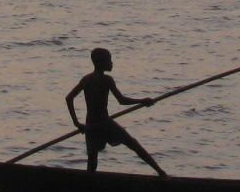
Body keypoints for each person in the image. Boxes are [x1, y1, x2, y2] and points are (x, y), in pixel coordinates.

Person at [66, 48, 167, 176]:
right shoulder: (107, 79)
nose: (112, 63)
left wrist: (77, 123)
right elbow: (122, 100)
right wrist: (142, 101)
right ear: (102, 63)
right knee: (133, 144)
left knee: (92, 163)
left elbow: (69, 98)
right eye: (109, 60)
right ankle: (161, 173)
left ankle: (88, 186)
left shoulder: (86, 79)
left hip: (90, 125)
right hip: (104, 123)